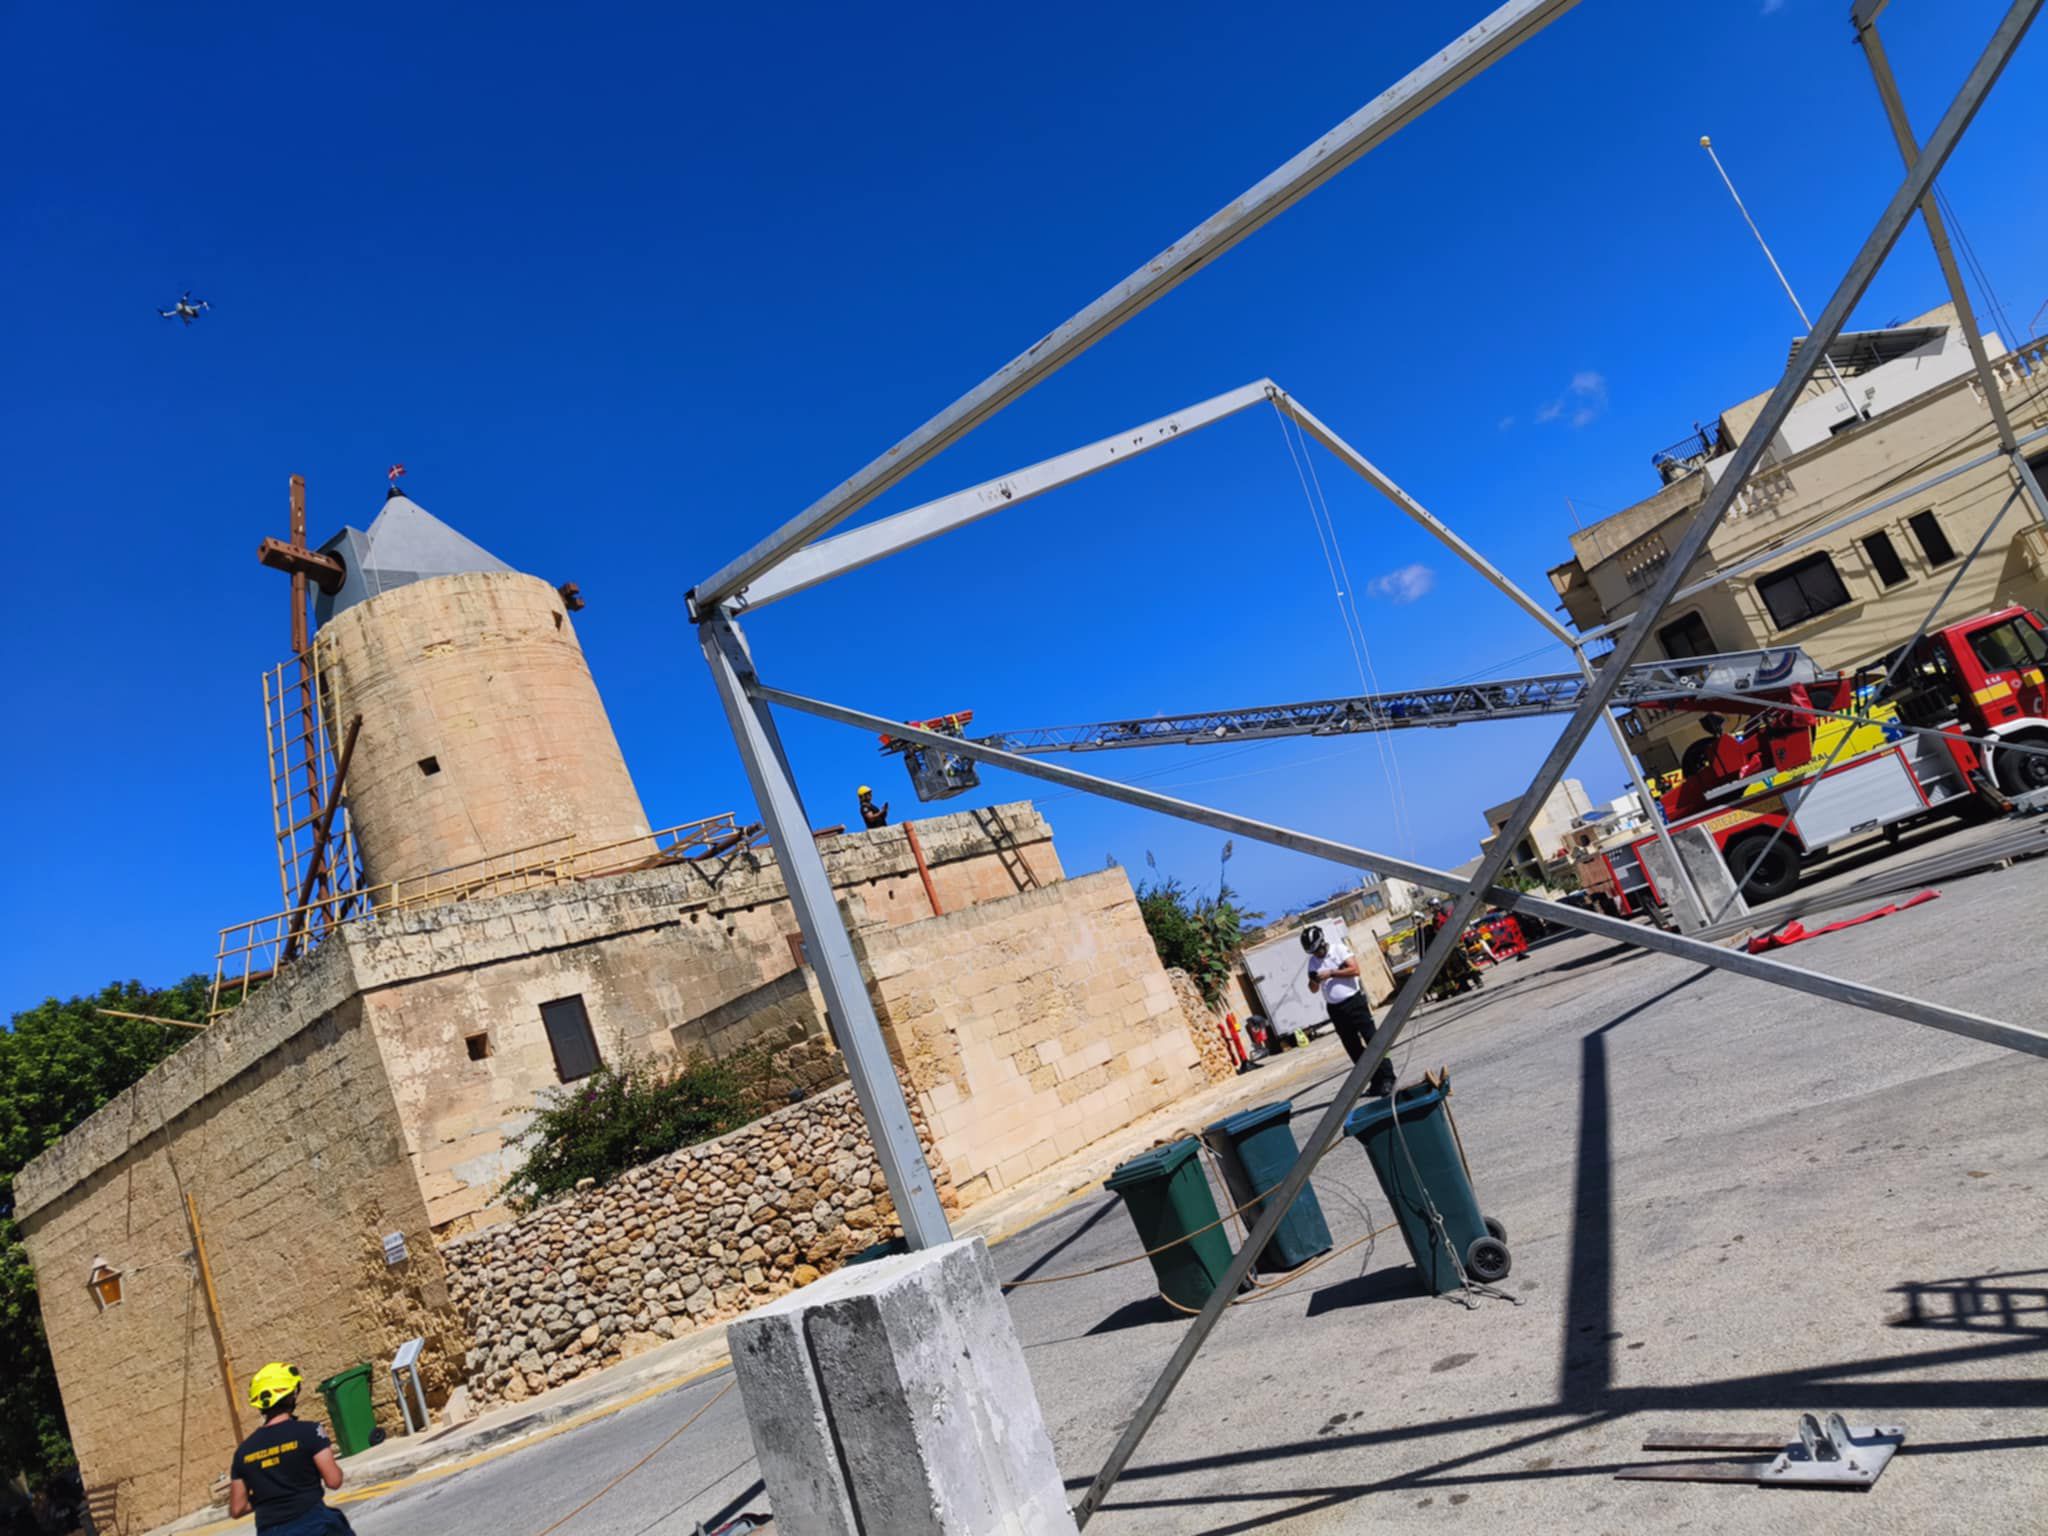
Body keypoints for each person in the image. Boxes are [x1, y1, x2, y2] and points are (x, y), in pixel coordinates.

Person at [228, 1363, 351, 1534]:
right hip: (313, 1523)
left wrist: (266, 1499)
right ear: (292, 1394)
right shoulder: (310, 1431)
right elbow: (334, 1481)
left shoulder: (243, 1452)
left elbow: (237, 1509)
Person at [1302, 925, 1395, 1096]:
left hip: (1353, 1002)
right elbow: (1313, 989)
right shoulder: (1312, 962)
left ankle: (1387, 1077)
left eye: (1318, 951)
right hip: (1335, 1009)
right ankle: (1374, 1081)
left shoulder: (1339, 950)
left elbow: (1355, 970)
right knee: (1353, 1047)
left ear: (1323, 943)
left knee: (1372, 1040)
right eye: (1313, 953)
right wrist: (1314, 980)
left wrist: (1331, 973)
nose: (1317, 955)